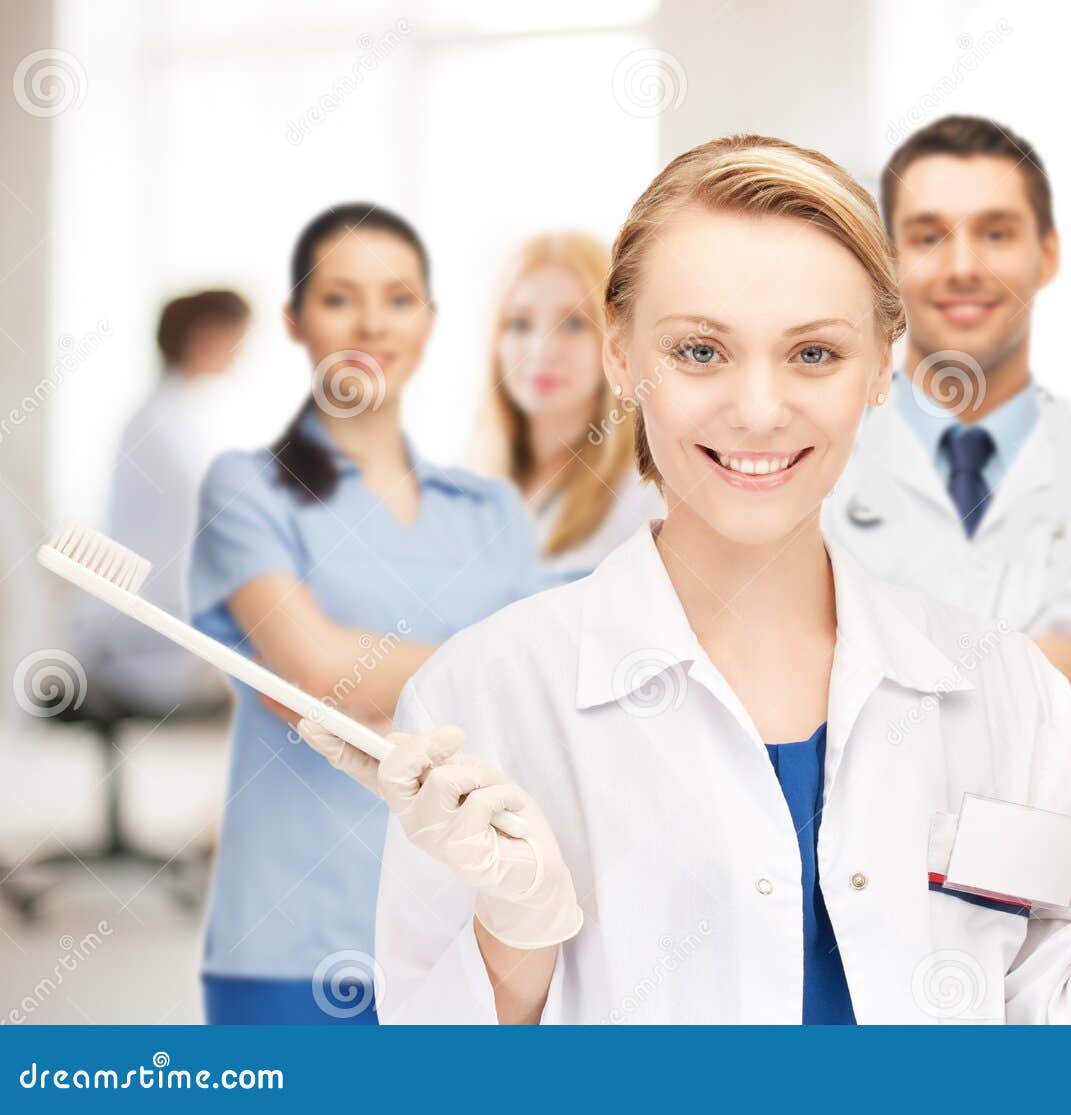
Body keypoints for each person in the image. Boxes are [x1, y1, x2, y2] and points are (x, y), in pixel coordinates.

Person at [297, 136, 1071, 1025]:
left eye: (814, 352)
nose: (759, 407)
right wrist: (515, 944)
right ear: (620, 354)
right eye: (699, 348)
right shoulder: (494, 692)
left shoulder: (999, 695)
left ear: (882, 364)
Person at [187, 203, 540, 1024]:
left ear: (431, 321)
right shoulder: (246, 487)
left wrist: (384, 672)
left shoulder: (492, 510)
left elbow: (535, 702)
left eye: (399, 297)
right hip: (295, 928)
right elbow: (313, 673)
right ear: (294, 320)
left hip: (470, 928)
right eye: (340, 297)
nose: (373, 321)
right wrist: (490, 663)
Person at [823, 115, 1071, 798]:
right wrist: (1044, 671)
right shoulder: (813, 474)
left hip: (1066, 901)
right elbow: (795, 722)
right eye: (929, 235)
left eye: (995, 233)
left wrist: (907, 707)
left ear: (1046, 255)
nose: (963, 265)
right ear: (886, 261)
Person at [77, 289, 250, 713]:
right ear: (205, 335)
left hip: (166, 620)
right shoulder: (156, 428)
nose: (241, 352)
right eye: (236, 337)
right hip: (147, 637)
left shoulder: (174, 418)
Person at [477, 232, 660, 590]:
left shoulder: (644, 496)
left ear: (617, 344)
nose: (542, 350)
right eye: (519, 323)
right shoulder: (475, 485)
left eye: (574, 324)